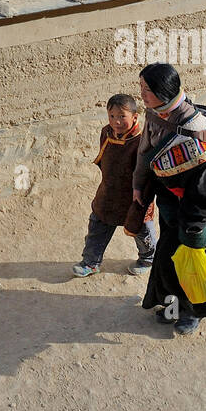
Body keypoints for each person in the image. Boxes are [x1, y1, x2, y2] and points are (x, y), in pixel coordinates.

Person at [132, 62, 206, 337]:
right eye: (141, 88)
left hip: (195, 212)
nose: (142, 95)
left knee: (193, 264)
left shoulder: (196, 130)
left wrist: (195, 227)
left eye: (147, 90)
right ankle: (172, 307)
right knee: (168, 260)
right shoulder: (154, 113)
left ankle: (192, 313)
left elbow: (205, 187)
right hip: (169, 205)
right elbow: (144, 152)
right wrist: (139, 186)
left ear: (164, 91)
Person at [72, 93, 157, 278]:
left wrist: (142, 194)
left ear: (135, 117)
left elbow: (147, 172)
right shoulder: (106, 133)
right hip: (109, 194)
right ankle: (91, 262)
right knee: (97, 227)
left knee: (142, 231)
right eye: (112, 116)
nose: (116, 122)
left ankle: (148, 259)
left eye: (121, 116)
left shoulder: (142, 141)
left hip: (135, 197)